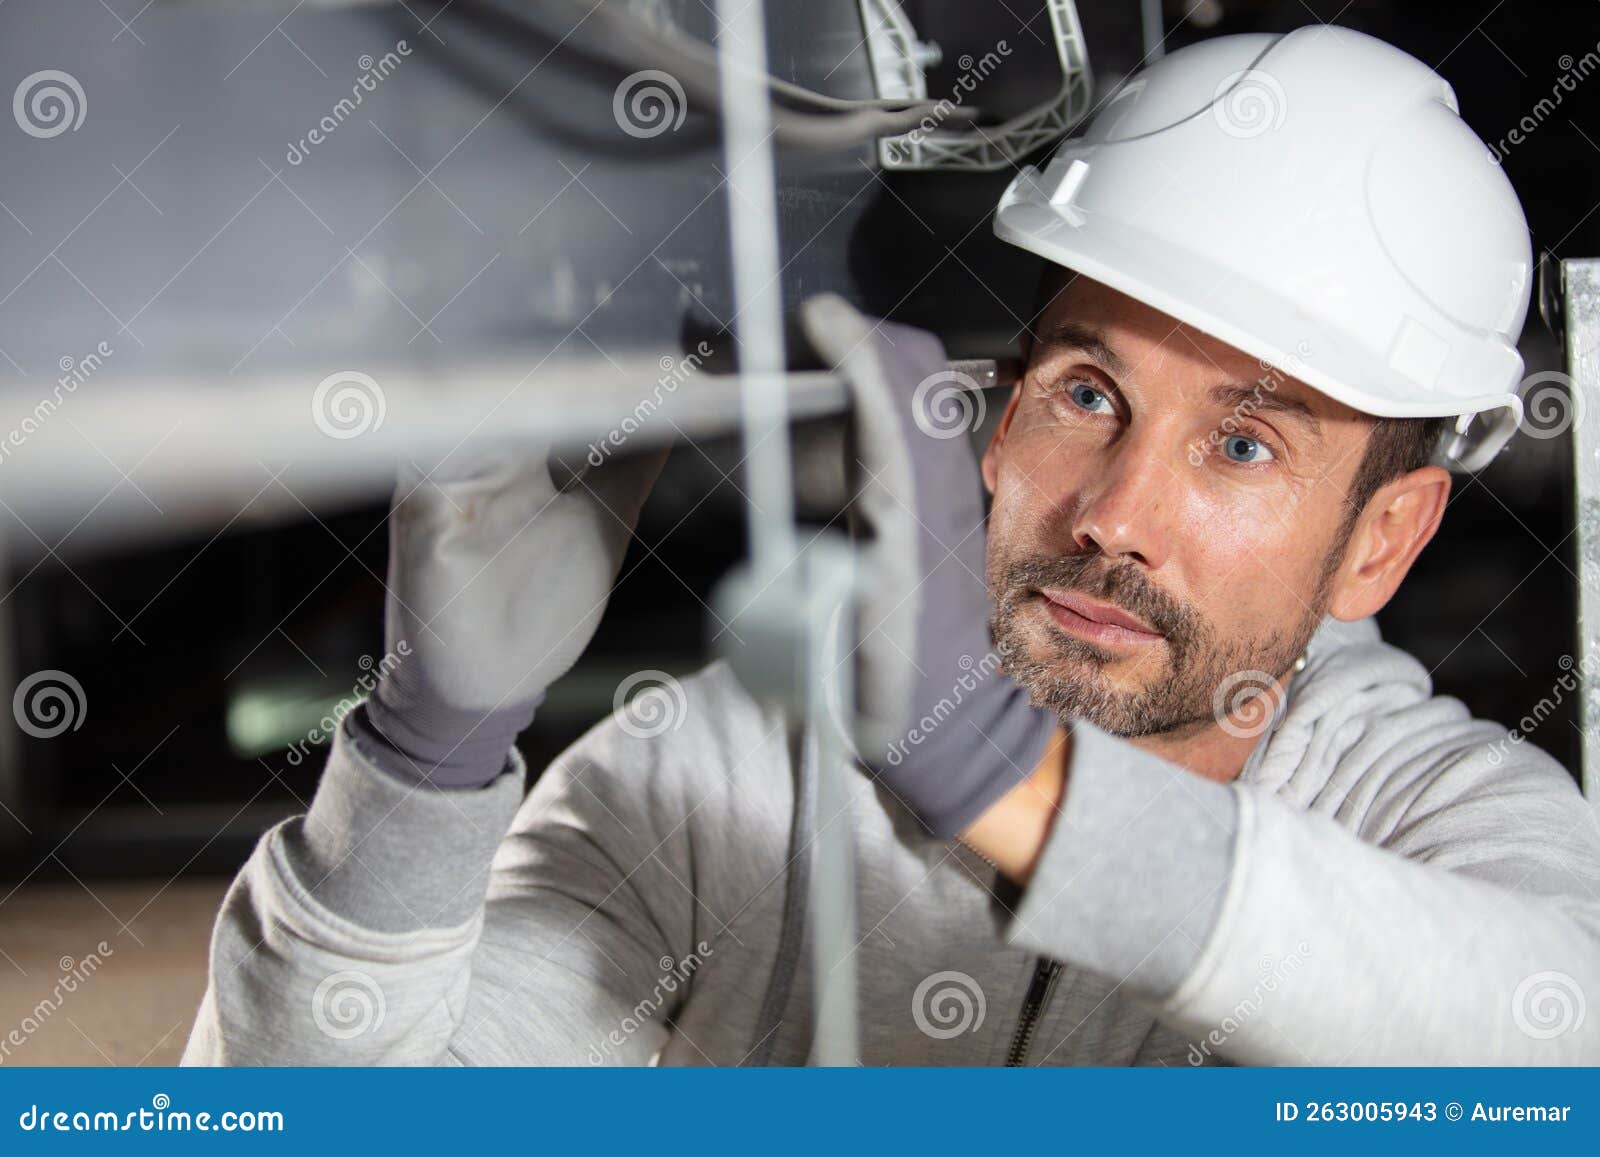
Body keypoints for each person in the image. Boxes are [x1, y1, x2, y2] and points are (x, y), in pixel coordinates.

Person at [183, 26, 1600, 1066]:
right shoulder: (719, 774)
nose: (1114, 512)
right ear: (994, 421)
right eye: (1088, 396)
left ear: (1384, 540)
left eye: (1243, 443)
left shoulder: (1435, 819)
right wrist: (423, 767)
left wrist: (1007, 779)